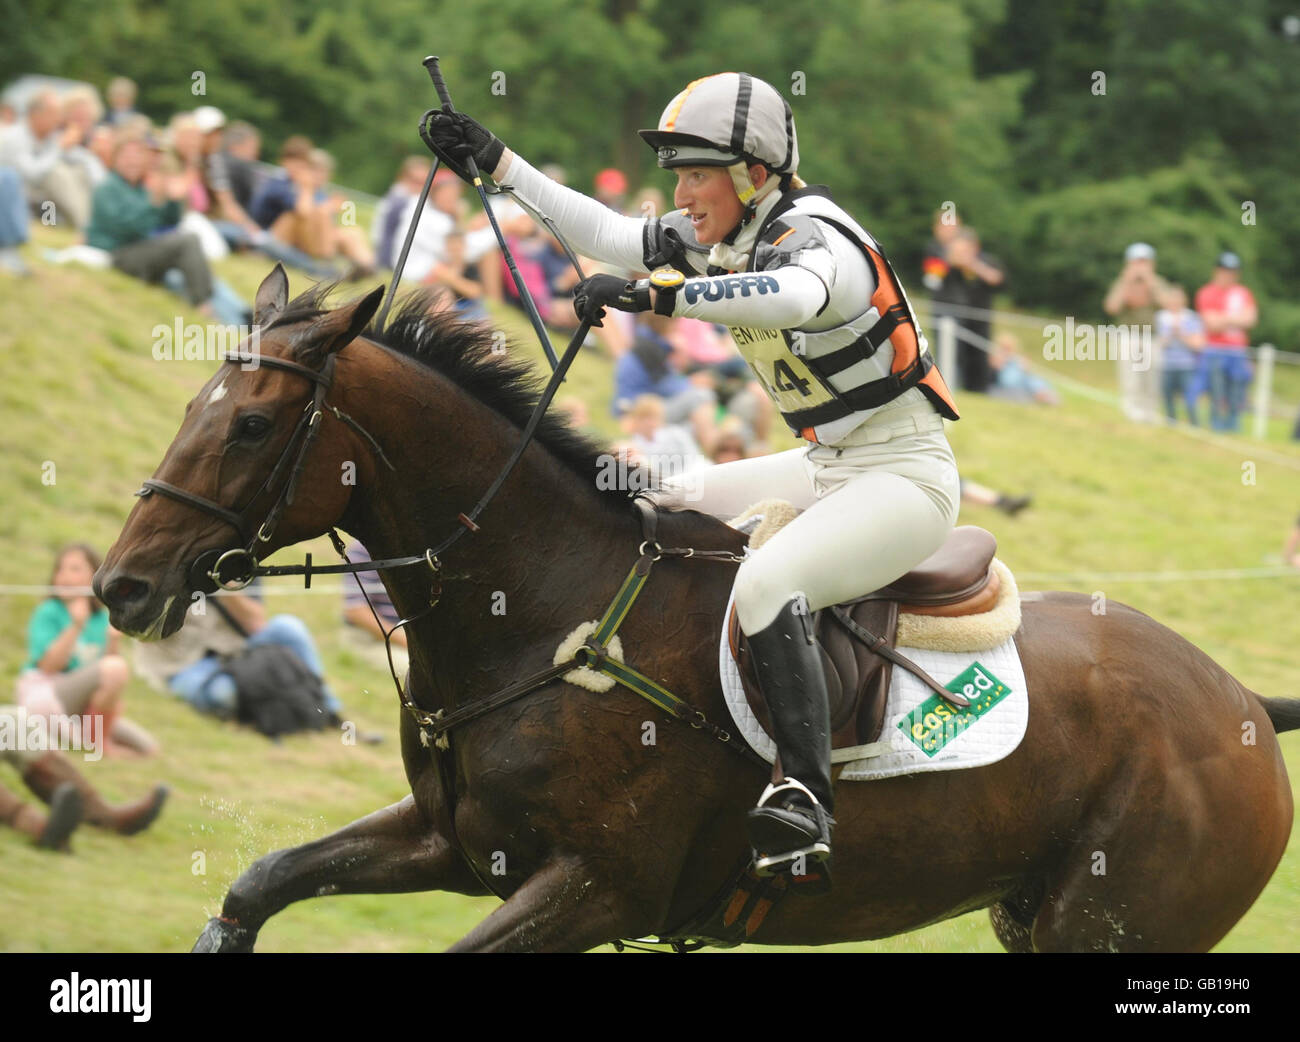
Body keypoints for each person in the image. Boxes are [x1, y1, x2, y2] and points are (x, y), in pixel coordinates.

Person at [421, 71, 962, 886]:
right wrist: (498, 162)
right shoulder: (724, 233)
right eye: (679, 174)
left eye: (697, 173)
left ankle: (805, 799)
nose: (682, 192)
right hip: (827, 465)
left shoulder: (820, 241)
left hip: (904, 480)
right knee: (653, 499)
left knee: (770, 580)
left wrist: (656, 295)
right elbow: (606, 229)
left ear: (753, 175)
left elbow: (790, 295)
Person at [18, 544, 157, 757]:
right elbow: (48, 667)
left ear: (95, 576)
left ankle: (98, 742)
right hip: (47, 695)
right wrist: (75, 626)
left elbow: (110, 683)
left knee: (147, 748)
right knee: (115, 668)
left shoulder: (101, 619)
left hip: (85, 707)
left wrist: (112, 641)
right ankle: (98, 745)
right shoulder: (49, 611)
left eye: (74, 569)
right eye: (60, 569)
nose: (64, 576)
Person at [1103, 243, 1169, 424]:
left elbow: (1168, 303)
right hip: (1128, 335)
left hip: (1151, 337)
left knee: (1152, 377)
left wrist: (1151, 282)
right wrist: (1126, 281)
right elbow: (1111, 306)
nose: (1140, 266)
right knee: (1130, 376)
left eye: (1144, 262)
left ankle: (1150, 412)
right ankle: (1131, 410)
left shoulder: (1158, 282)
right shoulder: (1122, 282)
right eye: (1136, 262)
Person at [1195, 252, 1257, 432]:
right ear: (1217, 271)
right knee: (1216, 389)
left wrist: (1223, 318)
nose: (1229, 275)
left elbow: (1251, 319)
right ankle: (1216, 426)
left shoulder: (1243, 293)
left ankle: (1233, 426)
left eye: (1232, 271)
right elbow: (1211, 324)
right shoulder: (1207, 292)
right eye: (1225, 270)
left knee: (1237, 389)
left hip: (1237, 351)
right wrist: (1236, 318)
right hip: (1215, 349)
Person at [1153, 285, 1205, 425]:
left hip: (1186, 364)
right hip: (1167, 365)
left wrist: (1181, 334)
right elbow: (1158, 343)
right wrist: (1170, 334)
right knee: (1167, 396)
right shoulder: (1161, 317)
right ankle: (1171, 422)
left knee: (1190, 397)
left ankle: (1194, 423)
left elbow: (1199, 344)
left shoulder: (1191, 317)